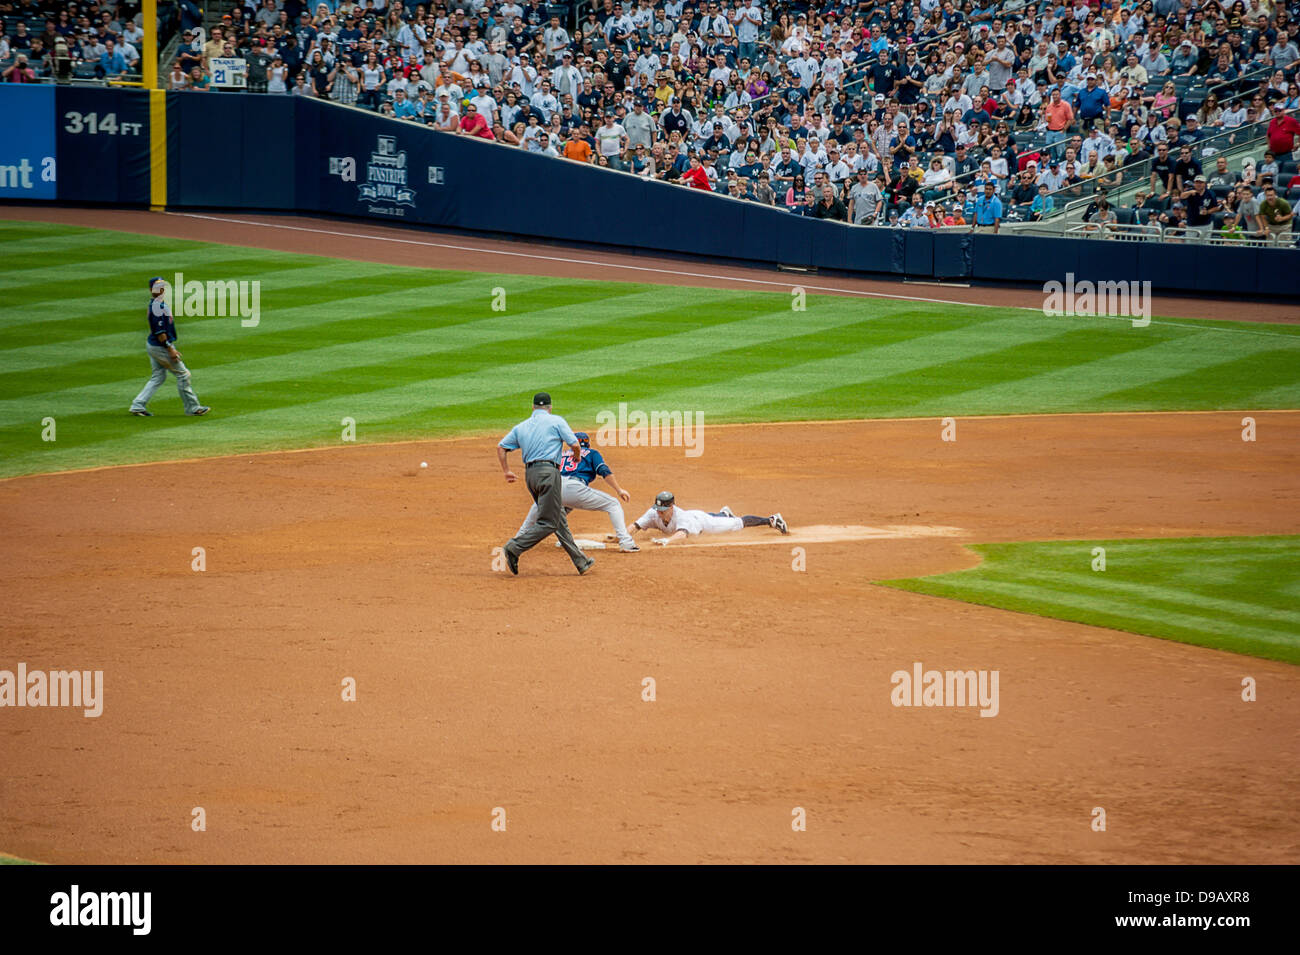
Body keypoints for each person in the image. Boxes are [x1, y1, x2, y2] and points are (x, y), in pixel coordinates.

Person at [498, 392, 593, 576]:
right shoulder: (556, 421)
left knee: (558, 518)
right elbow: (574, 444)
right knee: (549, 522)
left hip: (530, 476)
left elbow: (501, 447)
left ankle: (580, 561)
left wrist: (506, 471)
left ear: (533, 407)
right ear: (550, 408)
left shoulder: (521, 426)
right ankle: (514, 547)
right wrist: (577, 456)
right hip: (549, 474)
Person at [514, 432, 639, 553]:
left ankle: (516, 542)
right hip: (573, 488)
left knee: (539, 513)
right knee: (613, 504)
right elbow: (604, 470)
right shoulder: (592, 453)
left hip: (551, 487)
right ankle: (626, 542)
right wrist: (619, 490)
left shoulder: (561, 454)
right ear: (588, 444)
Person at [129, 277, 211, 417]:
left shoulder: (158, 303)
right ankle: (193, 408)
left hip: (154, 345)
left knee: (158, 377)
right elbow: (160, 333)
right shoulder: (157, 307)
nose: (161, 288)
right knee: (183, 375)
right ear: (151, 290)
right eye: (157, 286)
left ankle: (137, 405)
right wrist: (170, 348)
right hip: (160, 346)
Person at [626, 491, 788, 547]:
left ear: (671, 507)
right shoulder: (653, 513)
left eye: (662, 510)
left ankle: (771, 520)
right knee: (719, 517)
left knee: (737, 523)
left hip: (703, 523)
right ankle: (723, 514)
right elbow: (635, 526)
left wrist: (668, 541)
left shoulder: (681, 517)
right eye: (658, 510)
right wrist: (623, 535)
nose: (659, 513)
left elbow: (682, 535)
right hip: (697, 516)